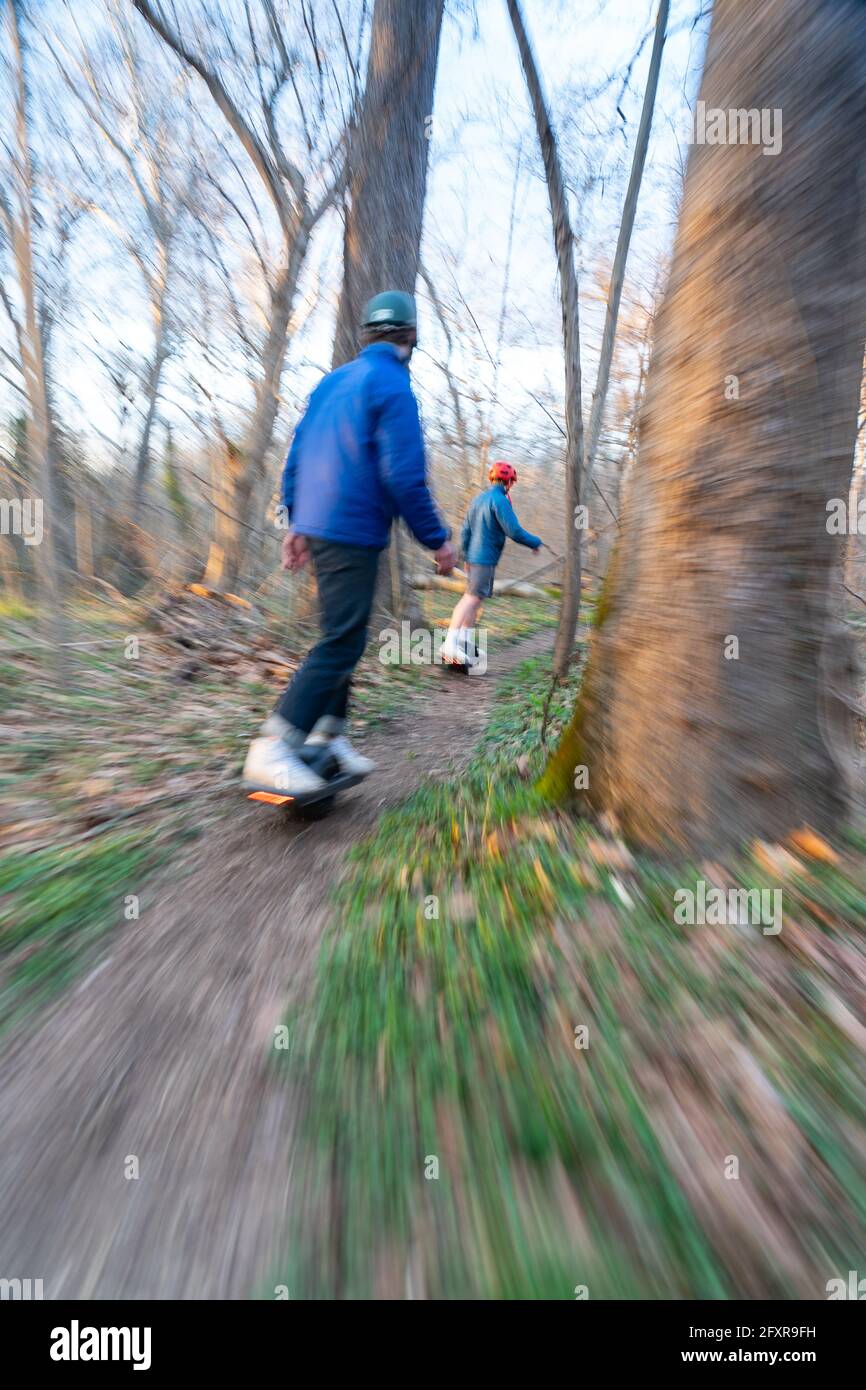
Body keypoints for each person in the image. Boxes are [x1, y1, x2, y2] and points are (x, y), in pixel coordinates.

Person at [244, 290, 457, 795]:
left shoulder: (332, 382)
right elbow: (403, 476)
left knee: (345, 635)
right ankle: (272, 747)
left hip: (320, 525)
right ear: (410, 337)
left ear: (367, 334)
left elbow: (297, 453)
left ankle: (325, 737)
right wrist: (438, 540)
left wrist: (295, 522)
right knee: (339, 642)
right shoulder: (394, 388)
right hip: (352, 528)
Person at [440, 460, 542, 667]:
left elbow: (465, 530)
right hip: (485, 558)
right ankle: (449, 643)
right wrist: (534, 542)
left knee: (476, 601)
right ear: (510, 482)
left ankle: (464, 643)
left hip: (476, 558)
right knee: (470, 599)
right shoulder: (500, 500)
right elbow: (513, 531)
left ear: (492, 478)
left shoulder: (478, 499)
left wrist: (466, 556)